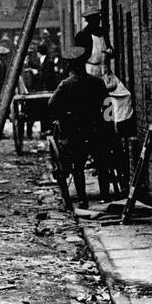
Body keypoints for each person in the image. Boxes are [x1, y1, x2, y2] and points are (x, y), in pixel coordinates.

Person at [47, 45, 108, 206]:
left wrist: (64, 118)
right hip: (96, 129)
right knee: (102, 165)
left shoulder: (66, 85)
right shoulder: (97, 82)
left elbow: (51, 104)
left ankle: (83, 200)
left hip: (76, 131)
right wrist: (106, 124)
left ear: (69, 66)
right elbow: (108, 105)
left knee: (78, 167)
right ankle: (105, 198)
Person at [98, 50, 135, 199]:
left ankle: (121, 185)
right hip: (108, 124)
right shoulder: (104, 79)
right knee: (112, 156)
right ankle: (117, 186)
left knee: (112, 156)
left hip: (109, 126)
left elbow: (109, 109)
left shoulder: (109, 80)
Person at [75, 11, 111, 78]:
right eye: (94, 20)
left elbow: (109, 48)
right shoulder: (82, 35)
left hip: (104, 69)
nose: (97, 23)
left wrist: (110, 51)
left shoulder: (103, 32)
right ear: (89, 21)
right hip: (89, 69)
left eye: (98, 20)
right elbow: (78, 58)